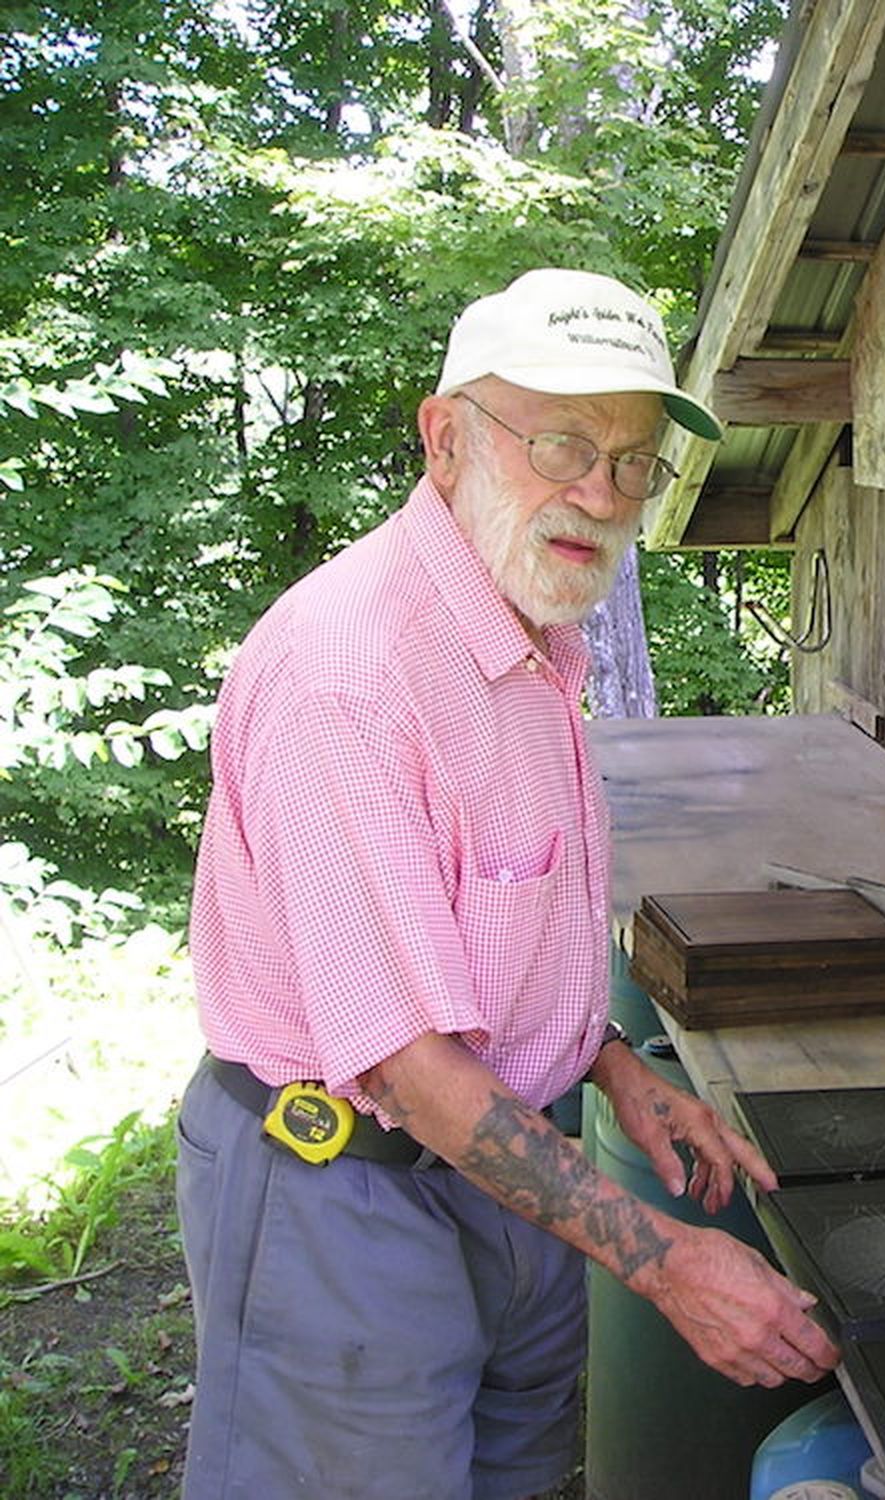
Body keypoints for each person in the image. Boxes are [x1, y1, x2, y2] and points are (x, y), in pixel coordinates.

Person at [175, 267, 840, 1498]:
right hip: (344, 1202)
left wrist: (615, 1066)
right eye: (562, 445)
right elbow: (406, 1066)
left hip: (511, 1182)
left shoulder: (531, 637)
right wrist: (666, 1263)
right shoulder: (349, 672)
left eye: (633, 462)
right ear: (445, 439)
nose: (601, 493)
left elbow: (502, 938)